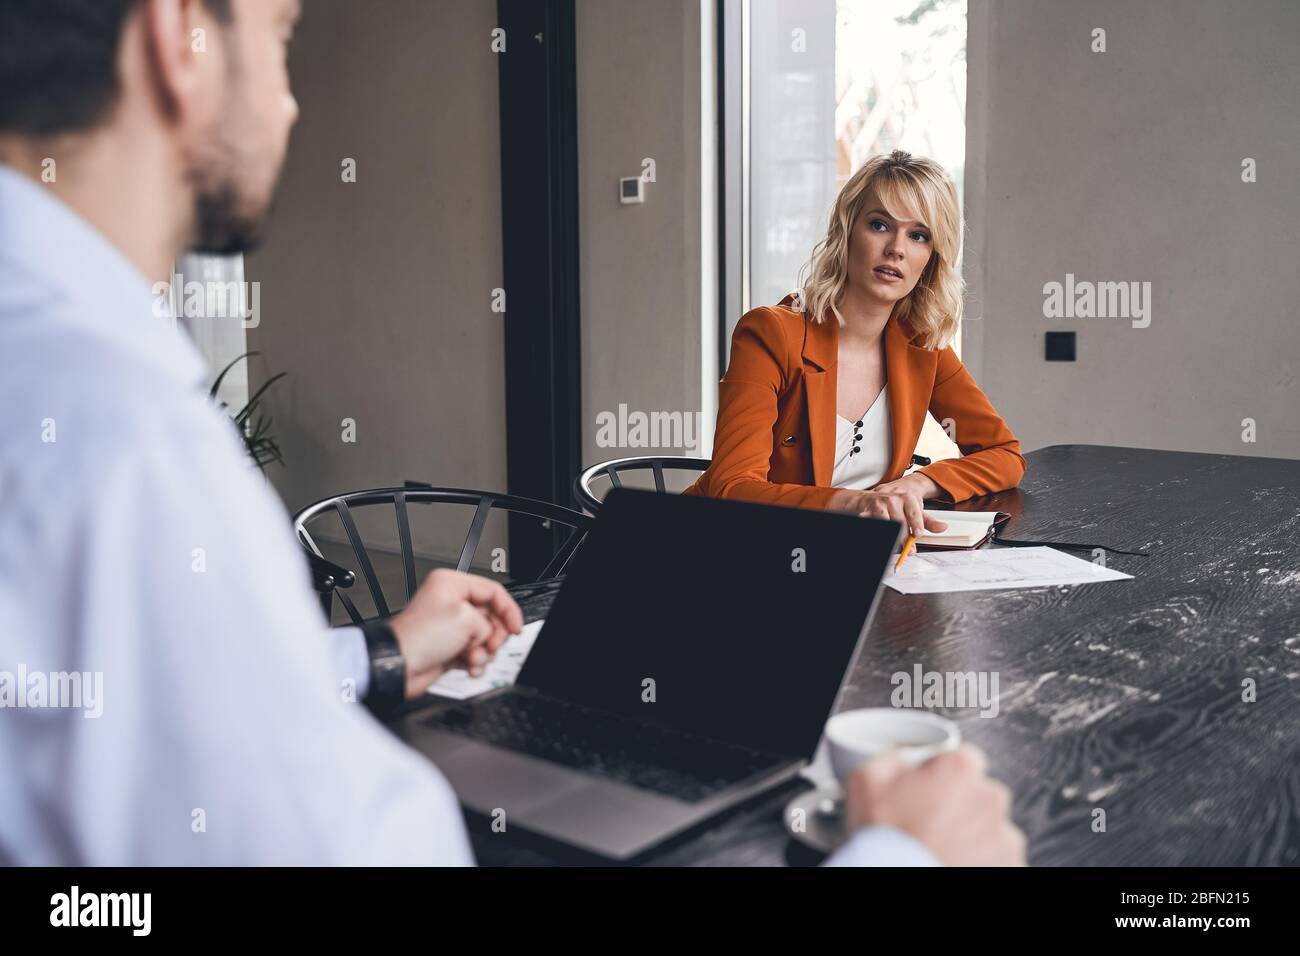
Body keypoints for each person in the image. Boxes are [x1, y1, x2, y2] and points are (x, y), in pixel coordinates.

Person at [0, 0, 1024, 866]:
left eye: (919, 232)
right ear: (177, 39)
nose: (291, 97)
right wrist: (901, 853)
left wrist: (378, 652)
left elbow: (181, 692)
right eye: (281, 38)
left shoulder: (74, 390)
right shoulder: (123, 442)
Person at [686, 151, 1026, 543]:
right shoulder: (770, 334)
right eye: (880, 225)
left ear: (931, 258)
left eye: (918, 235)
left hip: (841, 555)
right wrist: (853, 504)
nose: (896, 248)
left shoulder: (921, 346)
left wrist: (916, 485)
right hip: (724, 549)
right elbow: (732, 490)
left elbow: (1004, 454)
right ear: (847, 232)